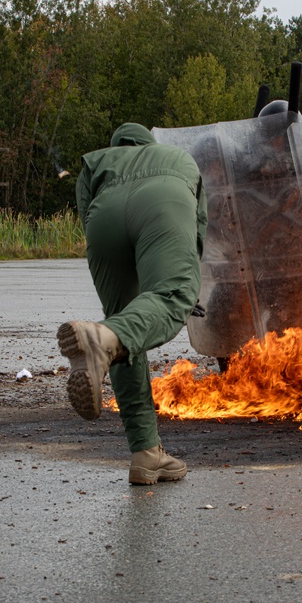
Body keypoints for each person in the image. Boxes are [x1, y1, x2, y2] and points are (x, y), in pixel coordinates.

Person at [58, 122, 207, 485]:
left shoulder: (95, 163)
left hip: (103, 217)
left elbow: (87, 216)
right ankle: (102, 338)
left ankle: (146, 453)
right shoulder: (179, 158)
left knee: (122, 329)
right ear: (148, 143)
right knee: (161, 302)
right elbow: (196, 227)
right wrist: (183, 291)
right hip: (163, 203)